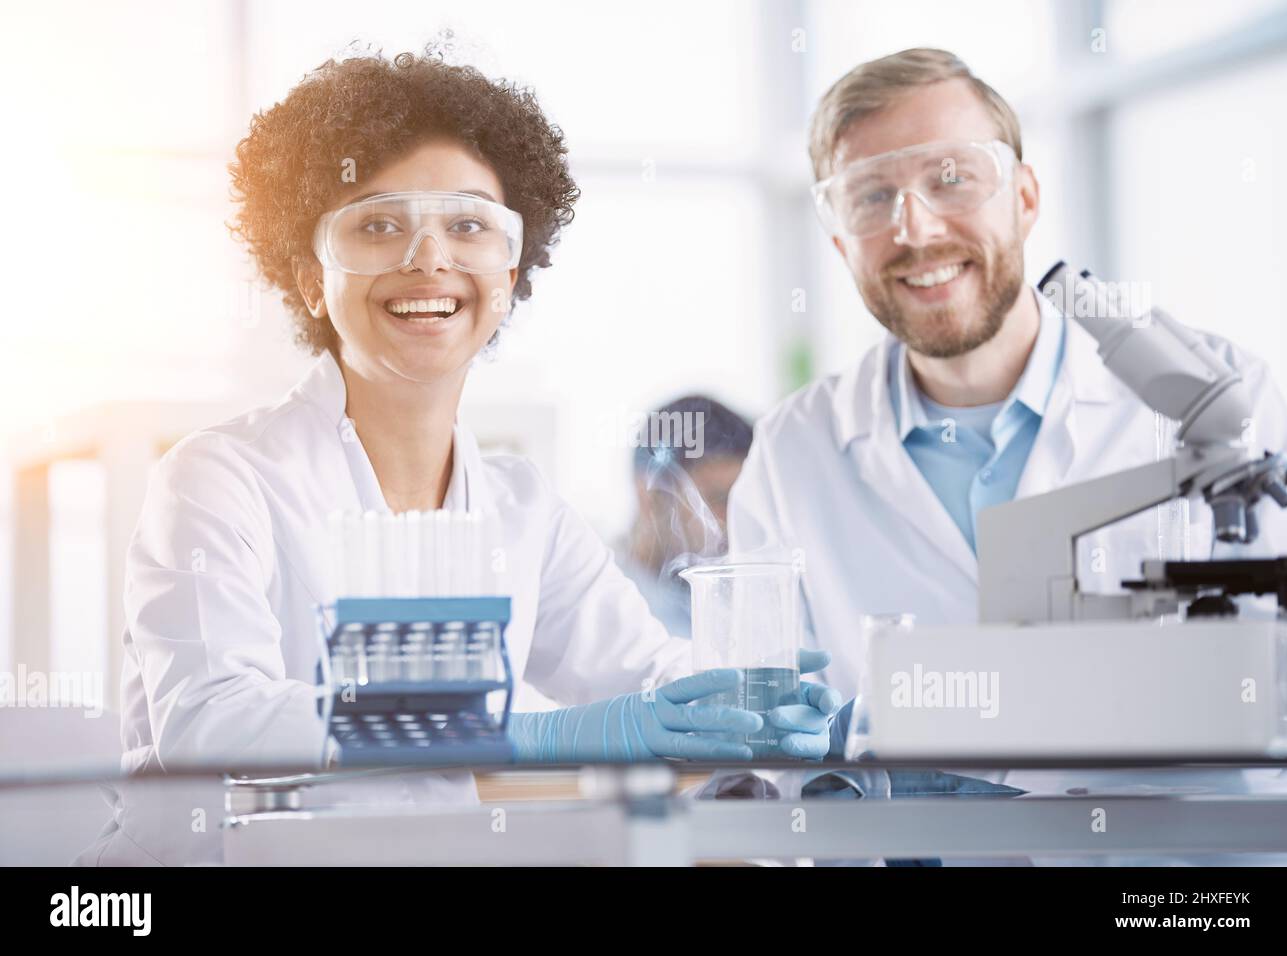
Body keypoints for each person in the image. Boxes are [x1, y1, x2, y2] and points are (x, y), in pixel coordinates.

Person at [79, 48, 836, 865]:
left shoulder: (520, 507)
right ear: (307, 277)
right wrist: (516, 733)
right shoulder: (220, 478)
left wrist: (749, 703)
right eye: (378, 224)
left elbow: (644, 679)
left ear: (510, 269)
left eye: (468, 224)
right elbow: (214, 721)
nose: (429, 258)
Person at [727, 48, 1287, 853]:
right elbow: (775, 750)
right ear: (836, 240)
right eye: (872, 196)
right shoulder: (795, 452)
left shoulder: (1216, 394)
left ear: (1025, 198)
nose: (915, 228)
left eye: (952, 178)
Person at [614, 395, 754, 637]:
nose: (731, 519)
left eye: (741, 501)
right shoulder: (605, 607)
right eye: (718, 498)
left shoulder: (735, 602)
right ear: (651, 496)